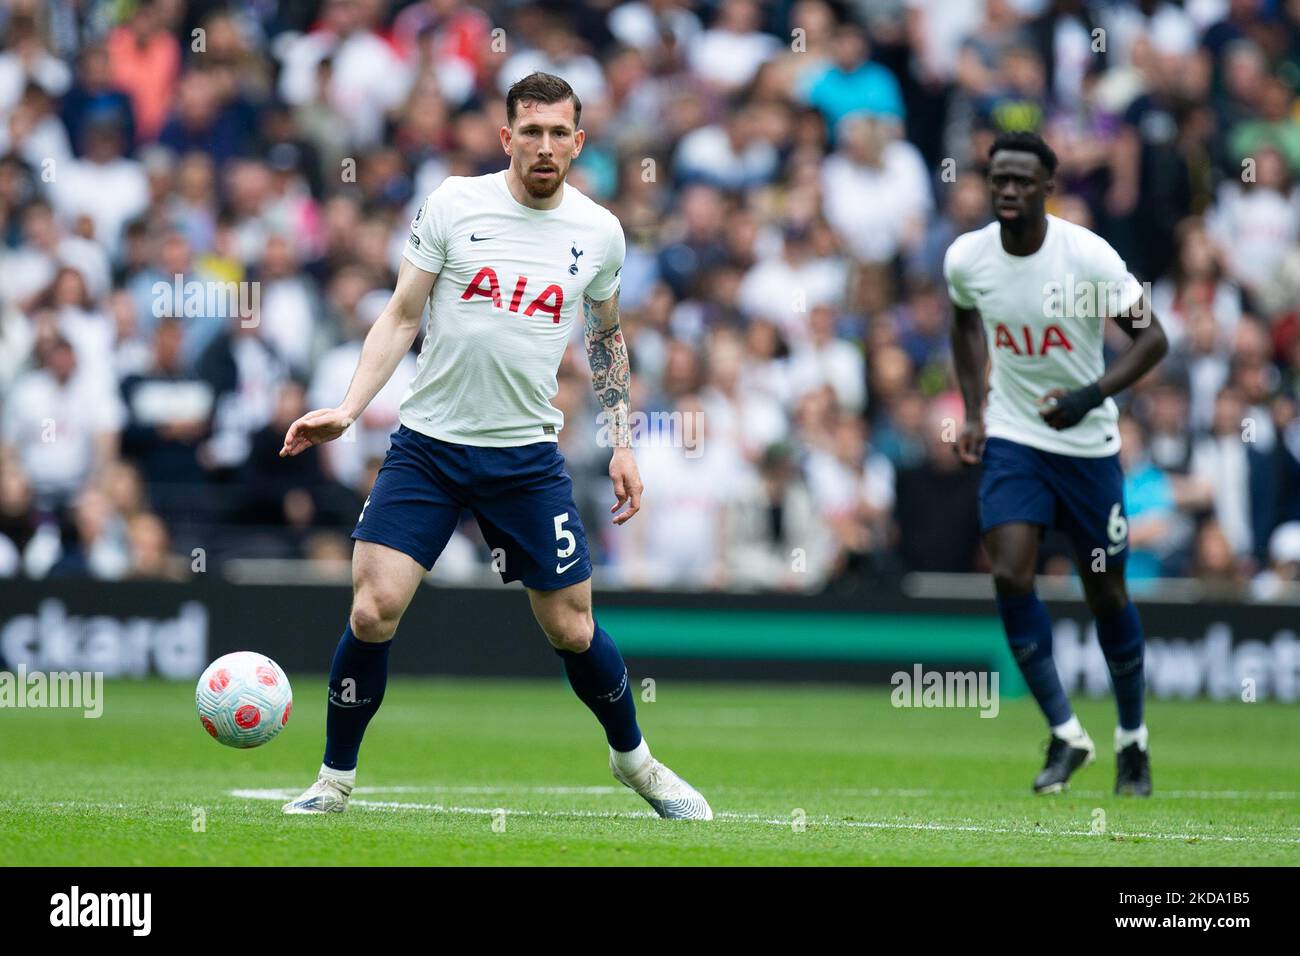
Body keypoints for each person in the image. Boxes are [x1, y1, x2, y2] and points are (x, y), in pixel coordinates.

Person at [277, 72, 711, 820]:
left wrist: (622, 442)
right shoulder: (454, 204)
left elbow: (605, 340)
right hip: (429, 447)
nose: (544, 146)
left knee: (571, 627)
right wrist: (350, 408)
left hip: (525, 458)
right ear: (506, 137)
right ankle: (333, 780)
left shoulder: (598, 232)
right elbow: (402, 315)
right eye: (530, 131)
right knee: (373, 611)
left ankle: (634, 761)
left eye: (559, 133)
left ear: (579, 142)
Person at [944, 131, 1168, 796]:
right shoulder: (968, 258)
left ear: (1048, 188)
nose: (1008, 190)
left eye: (1022, 181)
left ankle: (1133, 742)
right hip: (1016, 437)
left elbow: (1154, 338)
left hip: (1088, 445)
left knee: (1107, 594)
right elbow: (962, 322)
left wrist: (1090, 395)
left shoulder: (1088, 256)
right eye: (999, 179)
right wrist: (975, 412)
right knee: (1012, 572)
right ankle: (1067, 735)